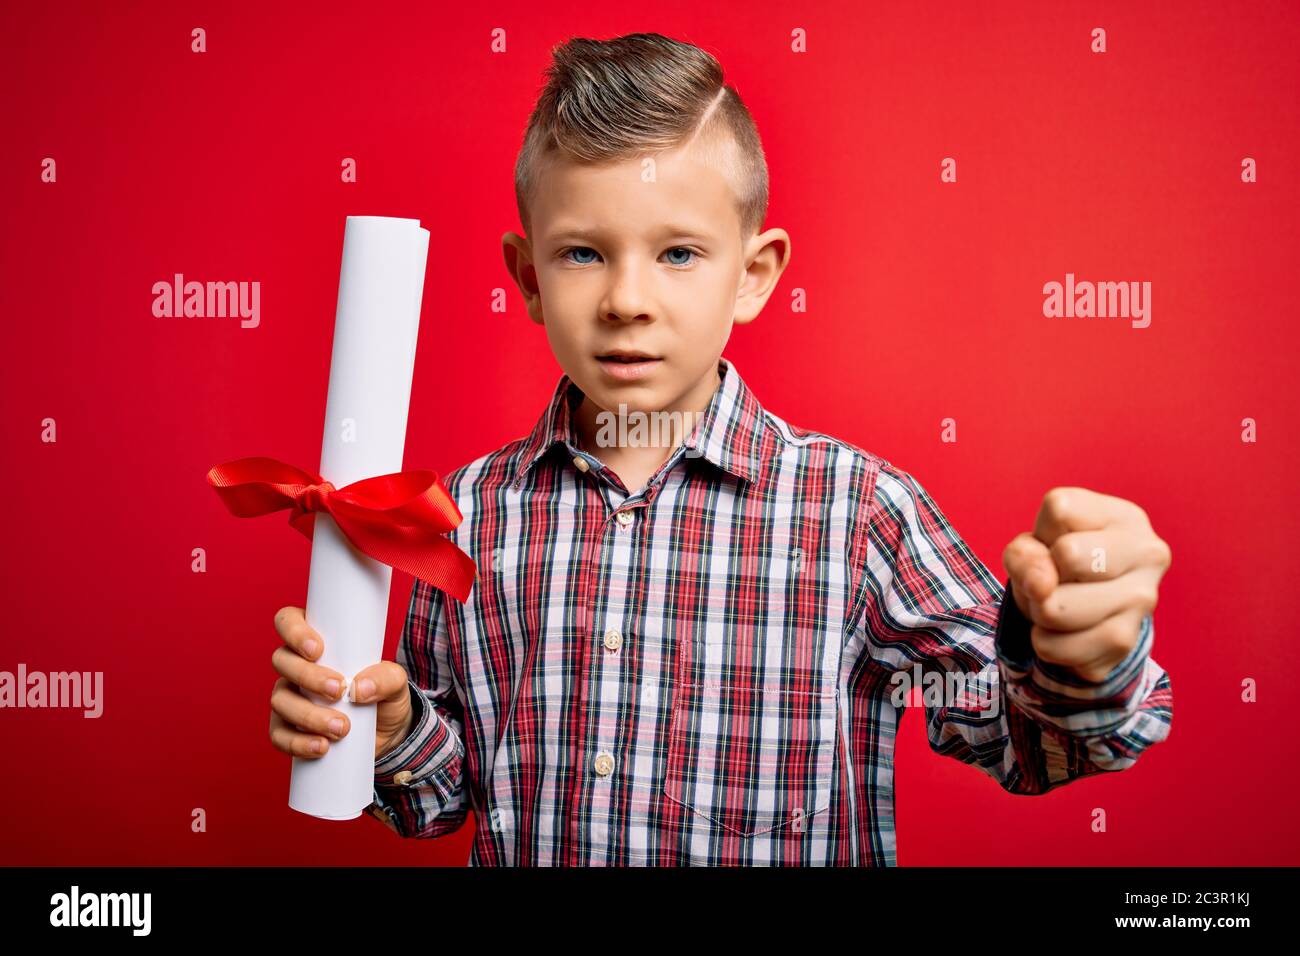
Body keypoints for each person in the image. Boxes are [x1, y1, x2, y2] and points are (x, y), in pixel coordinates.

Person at [268, 32, 1173, 866]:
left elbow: (1020, 739)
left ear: (753, 274)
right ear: (527, 278)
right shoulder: (457, 517)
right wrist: (390, 731)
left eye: (679, 255)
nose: (626, 299)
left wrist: (1073, 659)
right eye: (582, 253)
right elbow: (450, 794)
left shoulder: (854, 513)